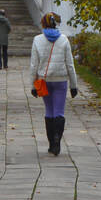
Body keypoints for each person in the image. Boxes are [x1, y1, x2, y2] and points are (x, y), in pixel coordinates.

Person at [30, 12, 78, 155]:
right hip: (60, 80)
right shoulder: (64, 40)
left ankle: (51, 143)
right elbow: (70, 64)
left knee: (49, 110)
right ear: (55, 24)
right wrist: (73, 85)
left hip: (43, 80)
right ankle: (57, 139)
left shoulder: (37, 40)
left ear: (43, 24)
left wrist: (33, 85)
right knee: (59, 111)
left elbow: (34, 65)